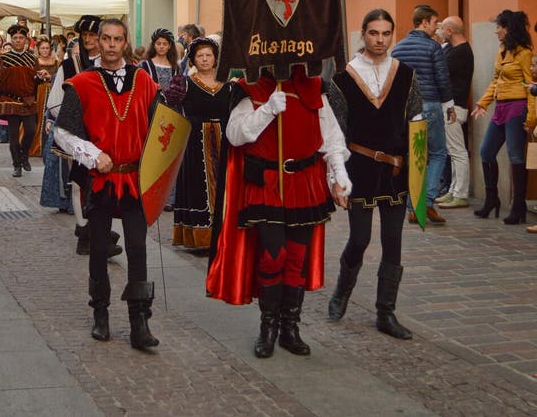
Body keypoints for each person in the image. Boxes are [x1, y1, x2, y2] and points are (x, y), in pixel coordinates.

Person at [206, 65, 351, 359]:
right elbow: (235, 135)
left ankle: (290, 328)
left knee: (297, 259)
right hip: (267, 183)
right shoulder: (250, 88)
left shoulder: (313, 88)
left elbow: (331, 137)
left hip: (304, 183)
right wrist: (268, 109)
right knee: (274, 257)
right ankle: (267, 327)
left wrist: (339, 173)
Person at [54, 18, 163, 349]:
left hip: (134, 178)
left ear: (126, 42)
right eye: (106, 39)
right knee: (99, 248)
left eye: (118, 39)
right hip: (100, 180)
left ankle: (139, 322)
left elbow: (161, 129)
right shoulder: (82, 82)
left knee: (138, 249)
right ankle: (100, 313)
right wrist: (92, 154)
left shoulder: (144, 81)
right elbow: (62, 132)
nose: (112, 44)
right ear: (97, 42)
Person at [327, 9, 422, 340]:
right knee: (360, 239)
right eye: (373, 33)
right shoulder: (343, 78)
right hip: (359, 168)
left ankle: (386, 312)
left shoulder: (407, 75)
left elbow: (416, 124)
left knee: (393, 241)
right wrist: (336, 175)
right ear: (363, 35)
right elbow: (335, 132)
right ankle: (342, 290)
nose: (380, 40)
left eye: (385, 34)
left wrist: (417, 173)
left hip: (395, 168)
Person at [41, 16, 121, 258]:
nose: (88, 39)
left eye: (92, 35)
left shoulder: (110, 64)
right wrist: (76, 118)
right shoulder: (68, 65)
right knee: (78, 182)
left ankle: (98, 232)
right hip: (78, 132)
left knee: (103, 182)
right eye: (83, 35)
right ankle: (85, 234)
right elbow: (55, 103)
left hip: (105, 133)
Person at [165, 37, 233, 253]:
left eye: (208, 55)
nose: (204, 59)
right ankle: (201, 237)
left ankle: (224, 234)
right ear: (193, 59)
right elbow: (167, 105)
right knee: (198, 187)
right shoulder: (185, 83)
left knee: (225, 185)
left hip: (225, 141)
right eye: (200, 56)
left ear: (215, 59)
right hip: (195, 143)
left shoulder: (229, 84)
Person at [392, 4, 455, 225]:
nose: (436, 28)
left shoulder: (397, 49)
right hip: (430, 105)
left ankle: (413, 208)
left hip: (407, 109)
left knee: (416, 157)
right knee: (438, 154)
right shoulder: (433, 47)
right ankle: (425, 203)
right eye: (435, 23)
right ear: (424, 21)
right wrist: (449, 105)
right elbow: (442, 77)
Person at [471, 9, 536, 224]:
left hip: (517, 108)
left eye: (499, 27)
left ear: (508, 28)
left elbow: (531, 86)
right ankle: (492, 199)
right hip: (500, 107)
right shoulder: (502, 51)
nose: (496, 31)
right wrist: (483, 102)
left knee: (516, 156)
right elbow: (495, 80)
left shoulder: (524, 53)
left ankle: (519, 205)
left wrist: (531, 118)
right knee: (486, 151)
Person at [435, 17, 474, 209]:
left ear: (450, 31)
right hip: (452, 106)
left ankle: (461, 193)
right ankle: (453, 190)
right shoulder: (454, 50)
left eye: (442, 28)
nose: (439, 31)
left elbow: (440, 72)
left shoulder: (460, 52)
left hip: (454, 107)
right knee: (453, 150)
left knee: (458, 151)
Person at [0, 23, 37, 177]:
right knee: (13, 137)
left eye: (21, 38)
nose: (18, 40)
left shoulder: (32, 59)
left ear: (26, 39)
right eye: (15, 38)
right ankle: (16, 164)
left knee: (31, 130)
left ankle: (24, 156)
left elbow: (36, 79)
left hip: (28, 101)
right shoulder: (3, 58)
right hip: (10, 101)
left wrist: (41, 78)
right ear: (11, 40)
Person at [31, 36, 59, 158]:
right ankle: (37, 145)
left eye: (47, 48)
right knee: (39, 118)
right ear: (38, 49)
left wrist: (50, 76)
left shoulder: (57, 62)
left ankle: (49, 147)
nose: (45, 50)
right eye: (42, 48)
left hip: (53, 91)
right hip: (39, 92)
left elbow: (59, 77)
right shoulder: (34, 62)